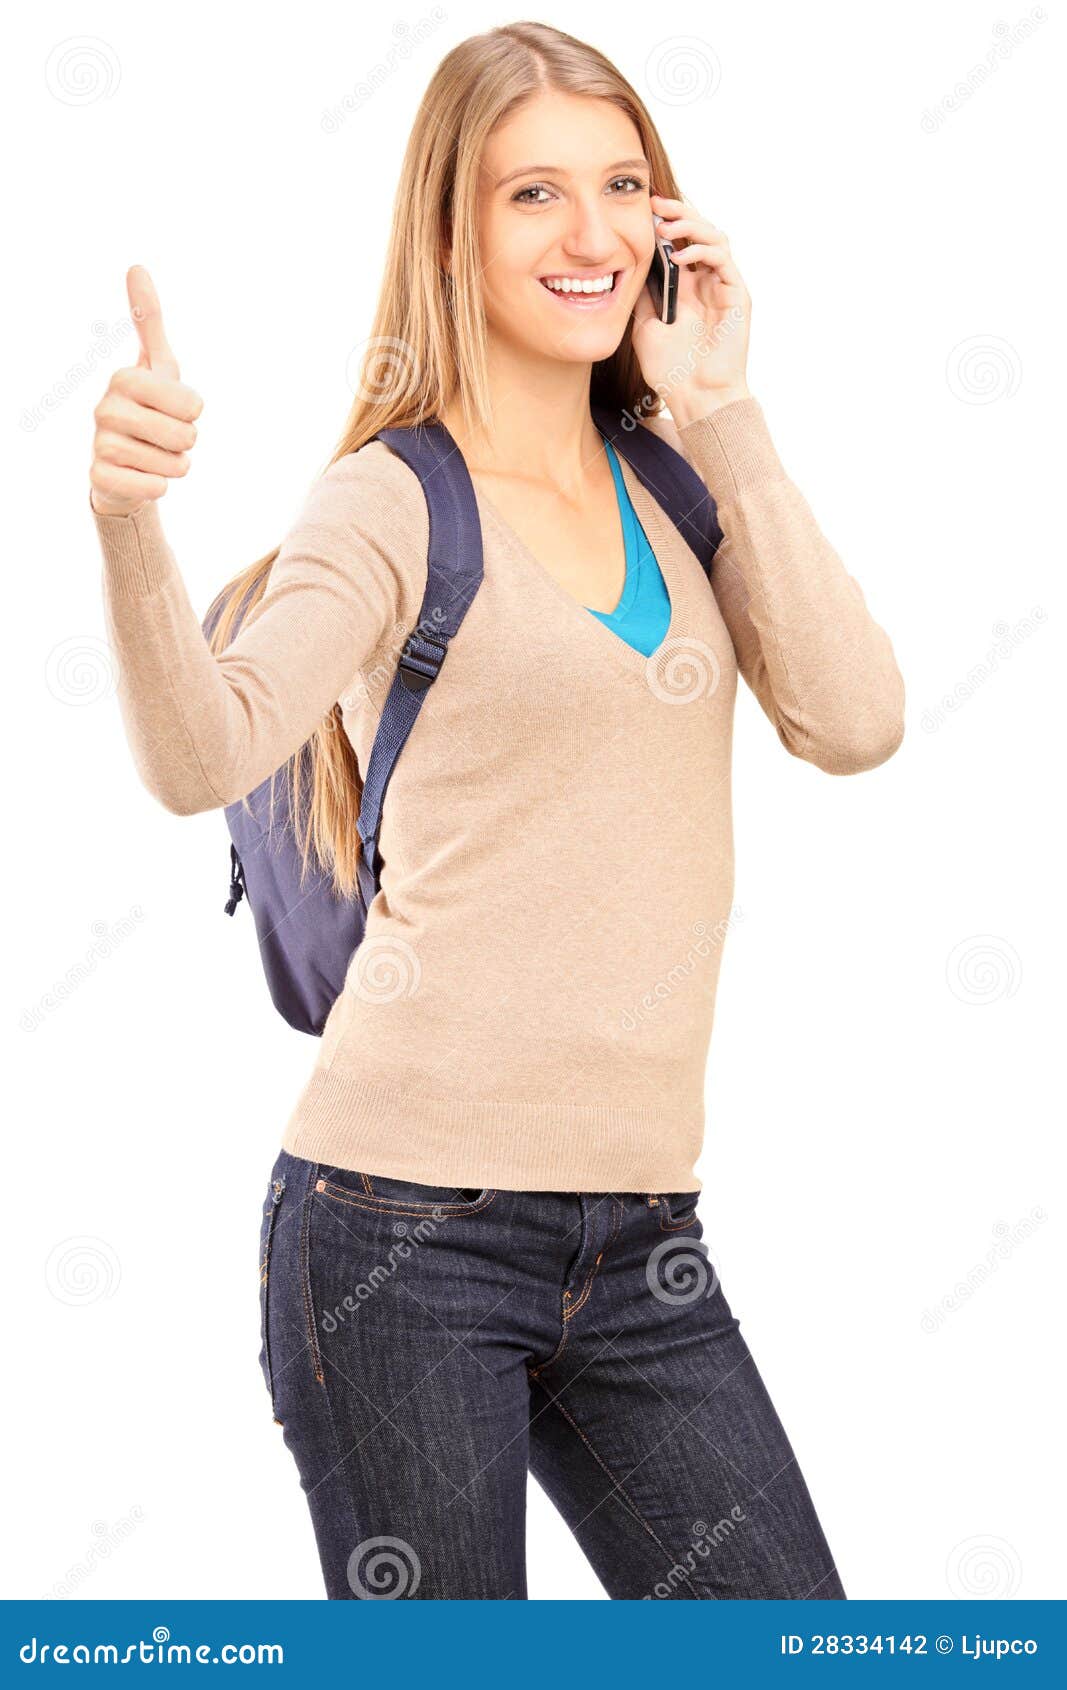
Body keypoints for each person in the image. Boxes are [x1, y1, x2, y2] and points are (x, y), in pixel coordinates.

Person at [88, 23, 904, 1600]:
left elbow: (853, 719)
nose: (591, 236)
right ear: (452, 229)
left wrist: (723, 407)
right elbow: (207, 753)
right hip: (398, 1238)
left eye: (622, 187)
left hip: (647, 1250)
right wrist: (129, 526)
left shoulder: (679, 482)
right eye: (535, 194)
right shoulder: (394, 499)